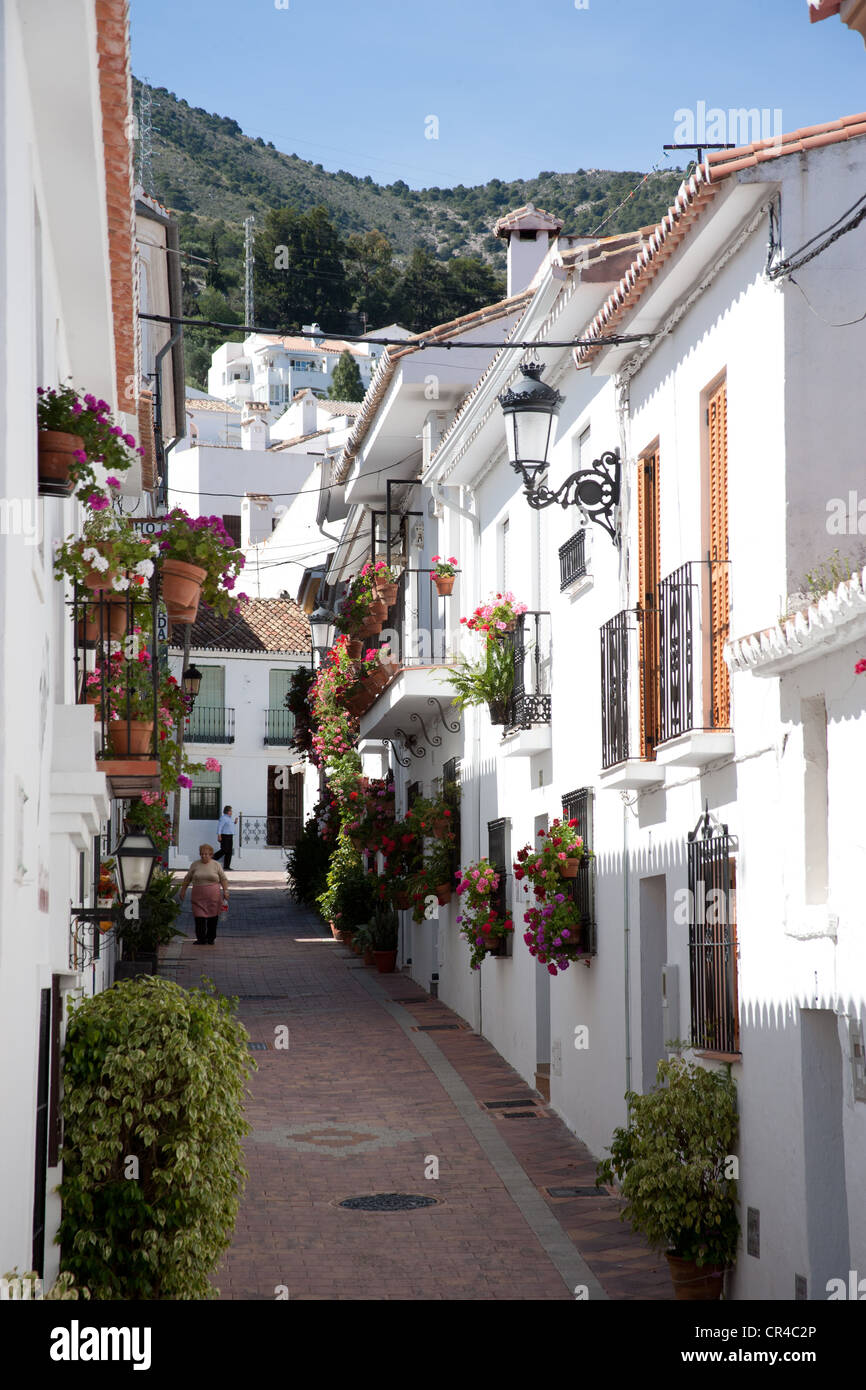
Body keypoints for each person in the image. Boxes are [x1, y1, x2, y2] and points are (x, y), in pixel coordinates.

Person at [179, 844, 229, 945]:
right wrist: (183, 890)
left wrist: (225, 891)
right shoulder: (195, 864)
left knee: (213, 917)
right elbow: (187, 878)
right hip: (198, 896)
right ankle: (201, 938)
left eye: (206, 854)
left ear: (211, 855)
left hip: (213, 896)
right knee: (199, 917)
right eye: (202, 854)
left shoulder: (216, 865)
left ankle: (210, 938)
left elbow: (223, 878)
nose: (204, 856)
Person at [213, 805, 238, 870]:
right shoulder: (223, 818)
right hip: (225, 836)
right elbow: (220, 827)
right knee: (224, 850)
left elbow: (229, 825)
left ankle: (227, 866)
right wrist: (219, 835)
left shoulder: (230, 818)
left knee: (229, 851)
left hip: (230, 835)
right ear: (227, 811)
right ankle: (212, 858)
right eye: (230, 810)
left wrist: (235, 822)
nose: (231, 812)